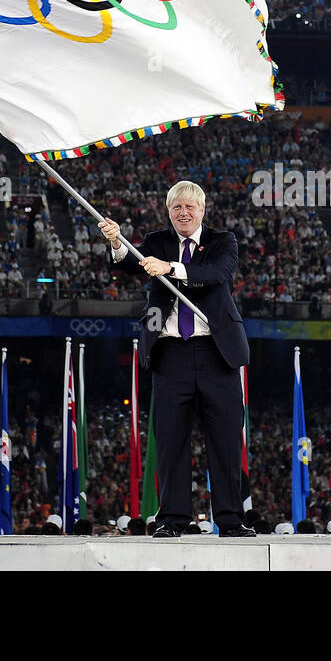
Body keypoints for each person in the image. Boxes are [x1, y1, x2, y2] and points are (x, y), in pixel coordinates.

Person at [100, 181, 254, 538]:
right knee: (170, 440)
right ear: (168, 211)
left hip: (218, 354)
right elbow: (132, 265)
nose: (183, 213)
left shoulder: (222, 241)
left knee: (226, 441)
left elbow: (219, 273)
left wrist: (171, 268)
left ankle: (231, 520)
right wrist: (115, 242)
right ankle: (172, 519)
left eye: (190, 207)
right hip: (170, 354)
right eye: (176, 208)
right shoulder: (156, 242)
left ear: (202, 209)